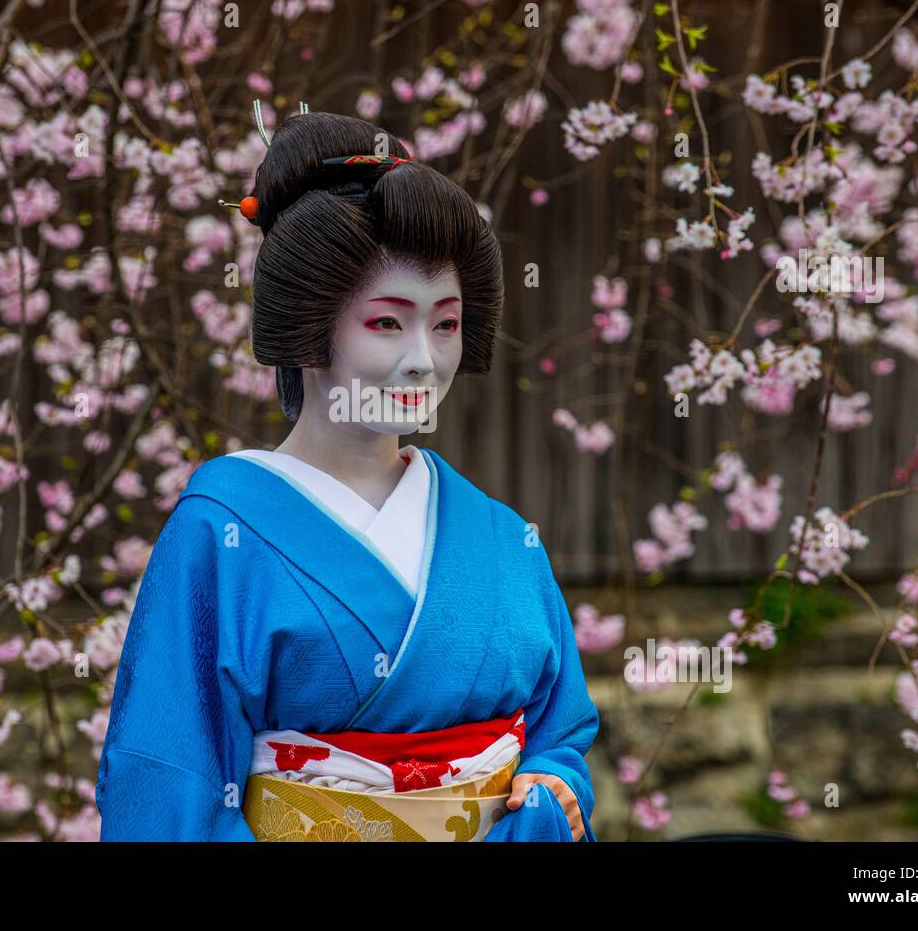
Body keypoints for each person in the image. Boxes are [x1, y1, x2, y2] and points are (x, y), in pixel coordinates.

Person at [96, 109, 600, 841]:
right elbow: (167, 788)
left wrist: (554, 787)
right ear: (309, 326)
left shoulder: (498, 533)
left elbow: (560, 735)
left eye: (447, 323)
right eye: (387, 323)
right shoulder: (219, 530)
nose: (424, 358)